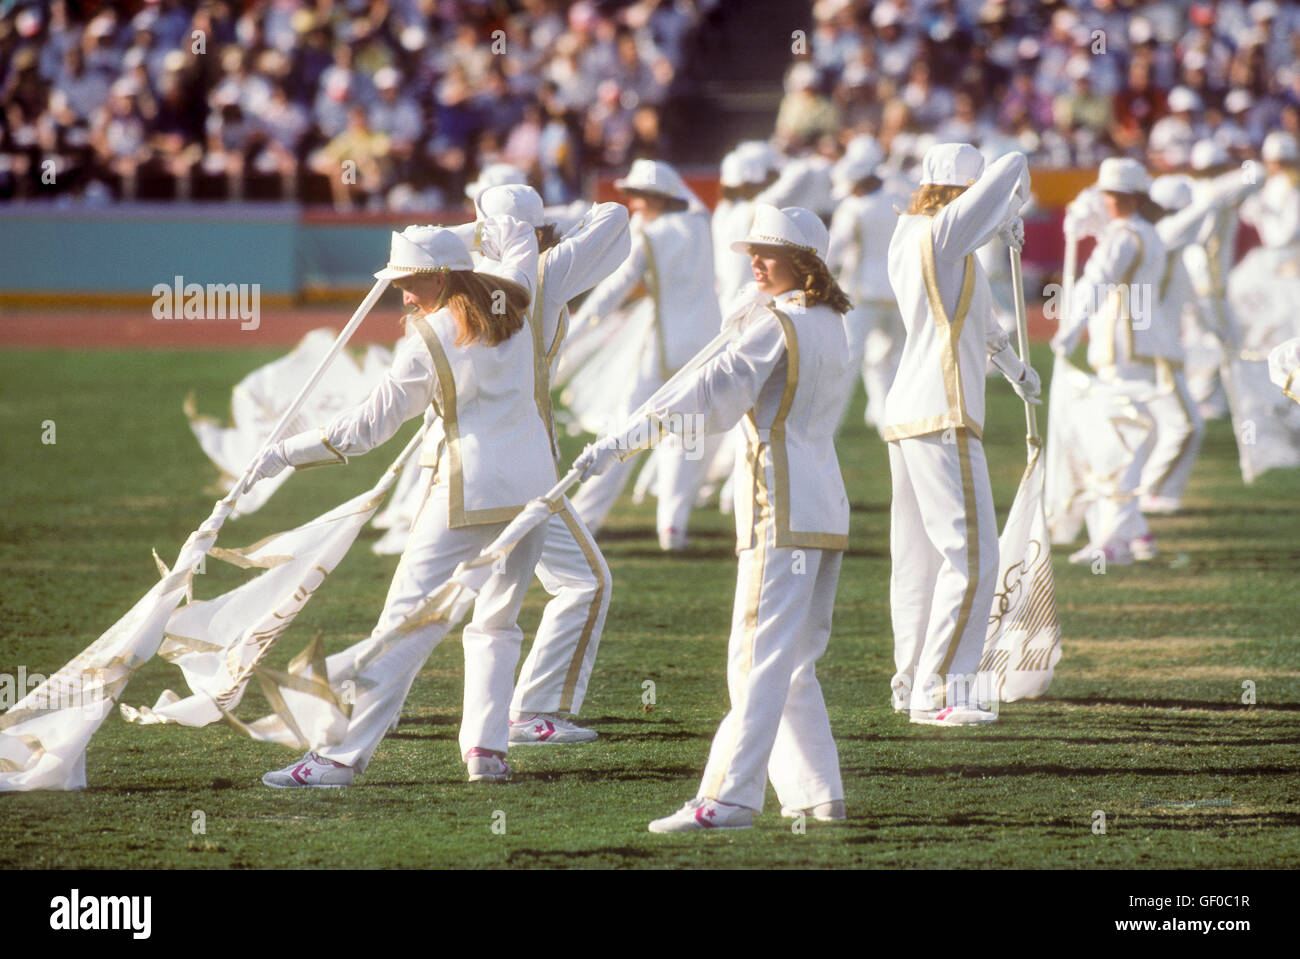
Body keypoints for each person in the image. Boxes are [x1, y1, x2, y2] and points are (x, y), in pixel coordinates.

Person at [575, 204, 856, 832]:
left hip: (777, 507)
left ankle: (729, 798)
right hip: (824, 508)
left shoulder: (776, 324)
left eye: (769, 253)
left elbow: (708, 396)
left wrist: (622, 440)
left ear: (802, 261)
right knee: (789, 661)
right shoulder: (831, 321)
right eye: (752, 251)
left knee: (755, 660)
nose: (755, 262)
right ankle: (818, 794)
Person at [251, 217, 556, 786]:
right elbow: (515, 232)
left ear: (442, 278)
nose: (402, 294)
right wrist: (477, 224)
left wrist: (280, 454)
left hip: (467, 491)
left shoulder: (427, 339)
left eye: (410, 282)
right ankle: (486, 752)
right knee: (497, 623)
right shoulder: (518, 295)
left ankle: (340, 758)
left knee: (400, 629)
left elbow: (366, 428)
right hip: (534, 489)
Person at [453, 183, 631, 744]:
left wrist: (483, 233)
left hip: (465, 463)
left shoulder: (463, 279)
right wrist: (548, 226)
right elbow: (615, 216)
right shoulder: (550, 270)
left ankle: (490, 729)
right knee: (584, 582)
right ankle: (528, 713)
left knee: (463, 602)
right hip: (526, 465)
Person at [885, 143, 1038, 726]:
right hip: (942, 411)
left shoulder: (940, 244)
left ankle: (911, 682)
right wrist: (1008, 204)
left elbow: (983, 325)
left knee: (920, 560)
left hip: (915, 414)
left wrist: (1015, 369)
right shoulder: (939, 234)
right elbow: (1014, 162)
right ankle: (942, 689)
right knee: (976, 557)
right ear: (957, 193)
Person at [567, 158, 721, 550]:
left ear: (656, 197)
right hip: (702, 349)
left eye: (637, 197)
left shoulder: (649, 237)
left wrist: (573, 331)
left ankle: (585, 520)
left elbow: (612, 292)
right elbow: (687, 200)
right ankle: (673, 527)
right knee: (688, 440)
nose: (633, 205)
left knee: (625, 433)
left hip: (663, 350)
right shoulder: (701, 222)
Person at [1052, 158, 1166, 563]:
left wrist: (1069, 328)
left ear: (1125, 198)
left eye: (1111, 196)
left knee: (1118, 446)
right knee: (1121, 442)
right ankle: (1136, 534)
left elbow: (1096, 281)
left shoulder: (1124, 237)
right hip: (1132, 346)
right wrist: (1081, 221)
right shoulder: (1143, 233)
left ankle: (1114, 540)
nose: (1106, 202)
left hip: (1123, 348)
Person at [826, 137, 905, 432]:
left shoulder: (853, 209)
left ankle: (828, 426)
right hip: (897, 292)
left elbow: (834, 249)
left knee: (847, 361)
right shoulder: (900, 199)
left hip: (861, 293)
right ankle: (889, 420)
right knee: (890, 359)